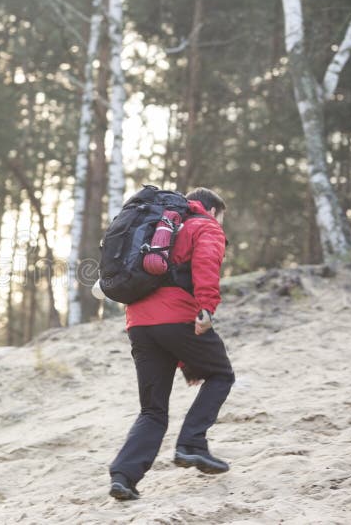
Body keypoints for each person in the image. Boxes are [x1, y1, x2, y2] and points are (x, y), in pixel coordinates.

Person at [108, 187, 235, 501]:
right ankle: (191, 444)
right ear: (212, 210)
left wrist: (185, 361)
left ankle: (124, 477)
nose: (221, 224)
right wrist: (206, 308)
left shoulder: (157, 225)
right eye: (222, 217)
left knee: (152, 410)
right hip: (178, 317)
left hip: (138, 323)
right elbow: (205, 265)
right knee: (222, 375)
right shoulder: (204, 226)